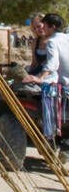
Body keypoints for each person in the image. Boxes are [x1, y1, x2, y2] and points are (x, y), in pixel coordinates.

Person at [29, 14, 69, 154]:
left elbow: (53, 64)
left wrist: (39, 78)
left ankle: (50, 137)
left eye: (44, 25)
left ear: (52, 26)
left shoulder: (52, 41)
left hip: (63, 84)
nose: (42, 28)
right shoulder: (67, 38)